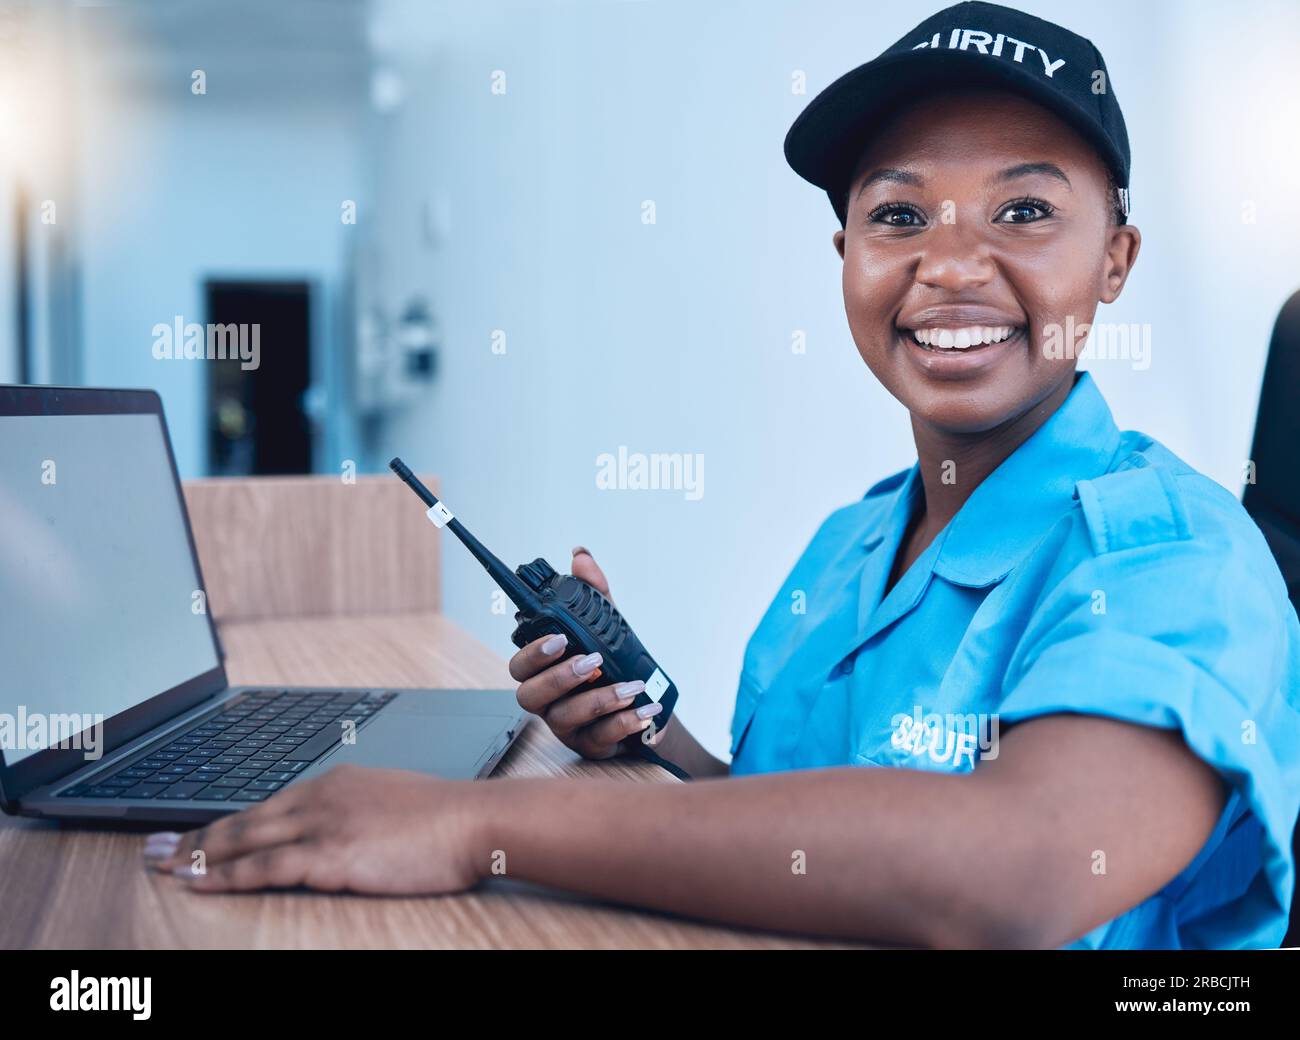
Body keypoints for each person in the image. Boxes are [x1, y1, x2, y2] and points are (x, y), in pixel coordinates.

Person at [145, 1, 1300, 949]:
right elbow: (804, 827)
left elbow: (1022, 863)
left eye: (1025, 210)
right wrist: (654, 744)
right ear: (845, 256)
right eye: (898, 212)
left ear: (1114, 261)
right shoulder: (849, 543)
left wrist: (470, 826)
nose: (949, 262)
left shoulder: (1175, 554)